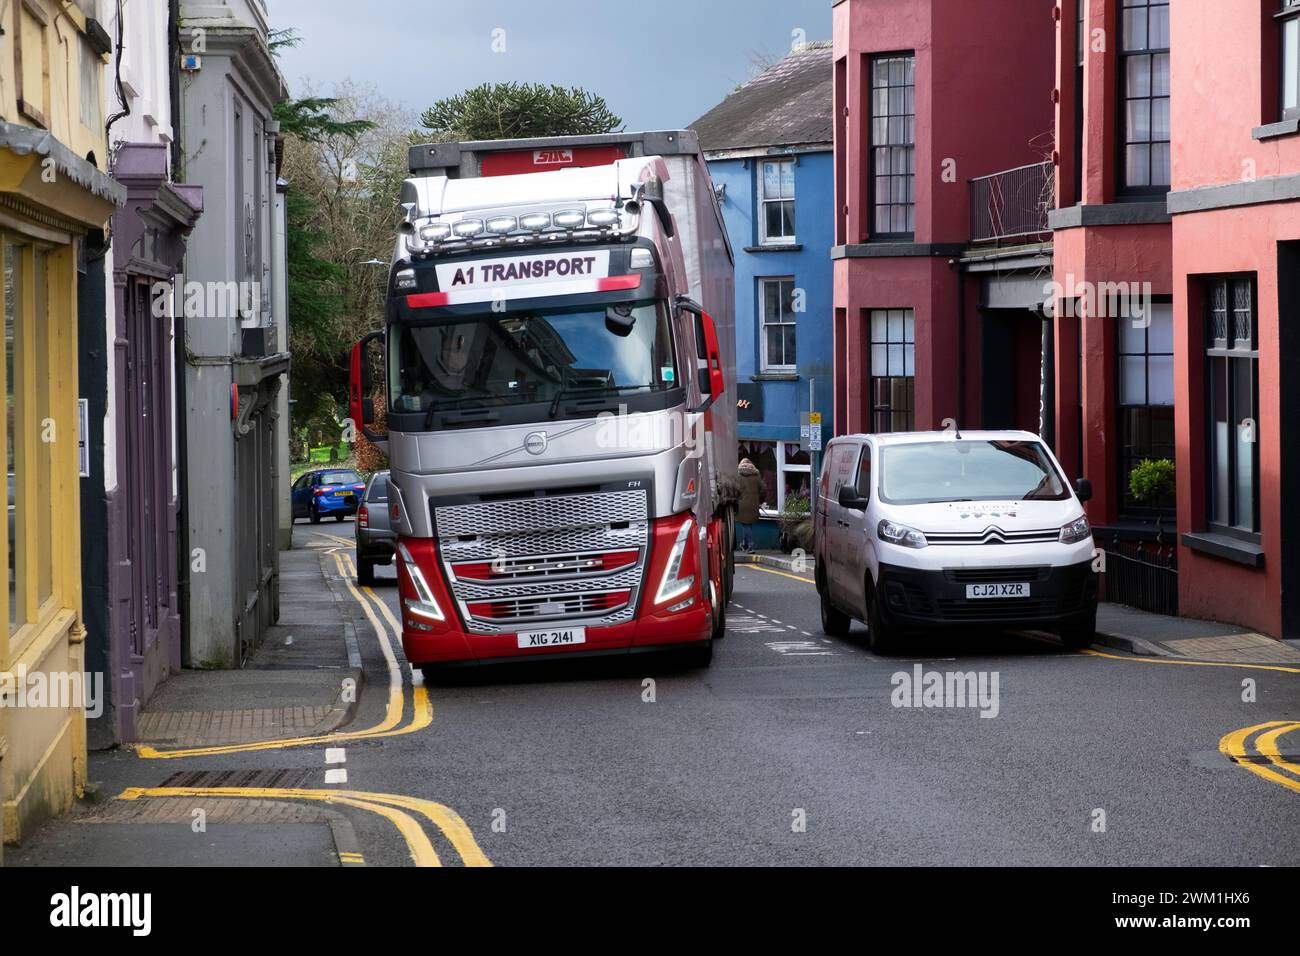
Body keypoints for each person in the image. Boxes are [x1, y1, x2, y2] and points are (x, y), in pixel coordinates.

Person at [736, 458, 765, 553]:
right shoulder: (756, 475)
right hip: (753, 504)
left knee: (746, 525)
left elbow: (735, 489)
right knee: (748, 525)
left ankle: (750, 545)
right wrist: (760, 500)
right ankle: (745, 544)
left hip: (741, 504)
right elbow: (763, 489)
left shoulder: (738, 475)